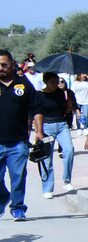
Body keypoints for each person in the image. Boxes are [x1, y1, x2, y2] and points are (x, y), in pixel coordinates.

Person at [0, 51, 43, 220]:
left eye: (4, 64)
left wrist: (39, 131)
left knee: (18, 176)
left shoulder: (24, 85)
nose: (1, 68)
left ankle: (18, 207)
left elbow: (36, 109)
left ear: (12, 64)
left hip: (18, 141)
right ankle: (3, 197)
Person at [34, 72, 75, 198]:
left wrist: (69, 106)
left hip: (61, 125)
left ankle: (67, 180)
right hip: (46, 126)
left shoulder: (61, 93)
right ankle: (47, 188)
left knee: (69, 150)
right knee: (47, 158)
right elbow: (36, 113)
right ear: (45, 82)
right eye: (52, 82)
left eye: (57, 82)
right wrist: (37, 130)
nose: (55, 85)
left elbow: (64, 110)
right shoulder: (39, 95)